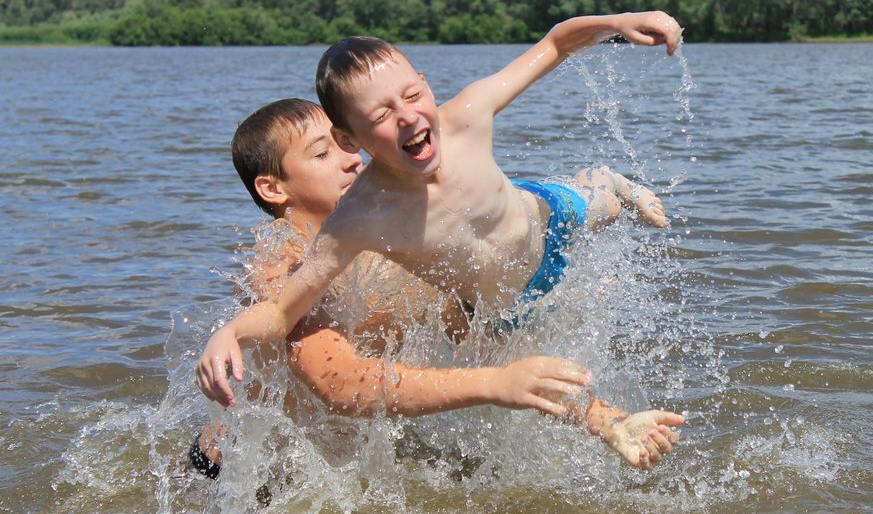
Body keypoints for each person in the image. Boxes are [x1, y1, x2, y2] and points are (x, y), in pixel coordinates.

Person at [192, 97, 682, 475]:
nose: (350, 161)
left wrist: (605, 421)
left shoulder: (387, 245)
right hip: (242, 473)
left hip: (340, 462)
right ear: (273, 189)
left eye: (347, 143)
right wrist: (494, 386)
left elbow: (495, 345)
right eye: (323, 153)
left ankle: (593, 191)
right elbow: (337, 382)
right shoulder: (286, 261)